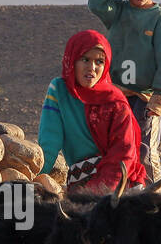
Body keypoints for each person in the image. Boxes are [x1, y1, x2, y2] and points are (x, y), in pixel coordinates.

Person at [87, 0, 161, 185]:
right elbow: (96, 3)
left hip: (146, 97)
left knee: (144, 148)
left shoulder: (160, 18)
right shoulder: (118, 12)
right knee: (114, 146)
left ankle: (154, 201)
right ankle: (118, 196)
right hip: (115, 94)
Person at [37, 30, 147, 194]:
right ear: (72, 60)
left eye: (99, 61)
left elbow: (124, 152)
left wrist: (98, 191)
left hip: (119, 184)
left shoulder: (115, 101)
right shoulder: (59, 90)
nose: (92, 67)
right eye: (85, 59)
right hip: (80, 182)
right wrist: (35, 177)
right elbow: (50, 141)